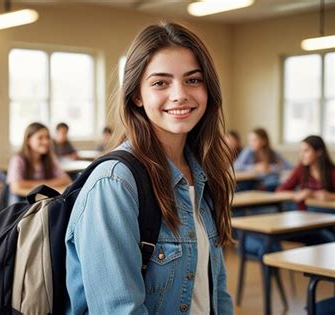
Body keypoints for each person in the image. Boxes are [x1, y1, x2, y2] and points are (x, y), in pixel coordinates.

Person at [65, 22, 234, 314]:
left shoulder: (203, 172)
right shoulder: (115, 184)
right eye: (160, 83)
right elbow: (118, 310)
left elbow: (216, 292)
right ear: (137, 96)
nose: (180, 94)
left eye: (193, 80)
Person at [7, 122, 71, 204]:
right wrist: (46, 186)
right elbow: (16, 187)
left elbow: (66, 180)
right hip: (23, 205)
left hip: (43, 203)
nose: (46, 141)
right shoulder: (18, 159)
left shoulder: (49, 159)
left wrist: (35, 185)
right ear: (28, 140)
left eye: (47, 137)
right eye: (40, 138)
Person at [277, 135, 335, 210]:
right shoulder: (300, 169)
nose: (301, 155)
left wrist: (330, 196)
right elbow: (279, 191)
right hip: (304, 214)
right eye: (301, 151)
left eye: (306, 151)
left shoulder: (332, 171)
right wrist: (298, 194)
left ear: (319, 152)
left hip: (327, 213)